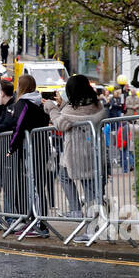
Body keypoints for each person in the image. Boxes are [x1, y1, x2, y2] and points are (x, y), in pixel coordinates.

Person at [0, 74, 51, 236]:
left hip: (31, 149)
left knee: (33, 187)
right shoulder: (37, 101)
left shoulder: (23, 103)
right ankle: (33, 221)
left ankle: (39, 225)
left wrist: (11, 147)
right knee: (34, 186)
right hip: (39, 148)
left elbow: (18, 127)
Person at [42, 74, 107, 219]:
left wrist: (51, 107)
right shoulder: (97, 105)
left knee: (67, 178)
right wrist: (63, 104)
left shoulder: (70, 110)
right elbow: (77, 111)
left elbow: (61, 123)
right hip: (95, 151)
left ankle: (80, 214)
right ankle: (90, 219)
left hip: (76, 154)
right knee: (89, 185)